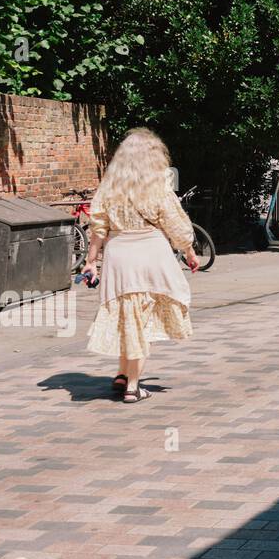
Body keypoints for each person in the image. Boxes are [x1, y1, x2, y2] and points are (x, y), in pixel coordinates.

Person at [82, 128, 198, 404]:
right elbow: (176, 224)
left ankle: (123, 373)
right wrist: (190, 251)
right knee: (141, 320)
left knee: (127, 313)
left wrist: (90, 261)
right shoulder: (158, 186)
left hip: (119, 254)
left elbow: (98, 227)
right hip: (150, 253)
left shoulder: (109, 188)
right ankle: (133, 386)